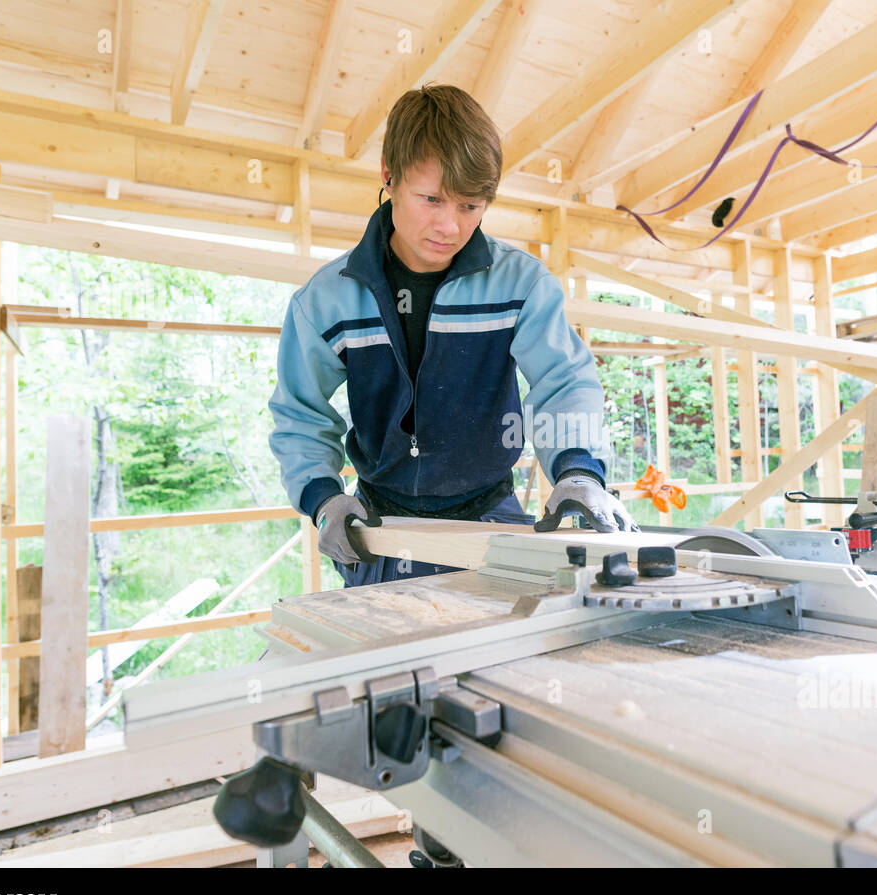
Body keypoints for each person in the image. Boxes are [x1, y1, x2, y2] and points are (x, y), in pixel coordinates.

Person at [268, 84, 636, 586]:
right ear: (388, 175)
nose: (449, 225)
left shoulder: (521, 285)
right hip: (378, 529)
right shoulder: (324, 301)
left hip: (490, 514)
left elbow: (562, 383)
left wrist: (576, 472)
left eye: (470, 205)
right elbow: (300, 413)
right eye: (432, 199)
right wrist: (324, 499)